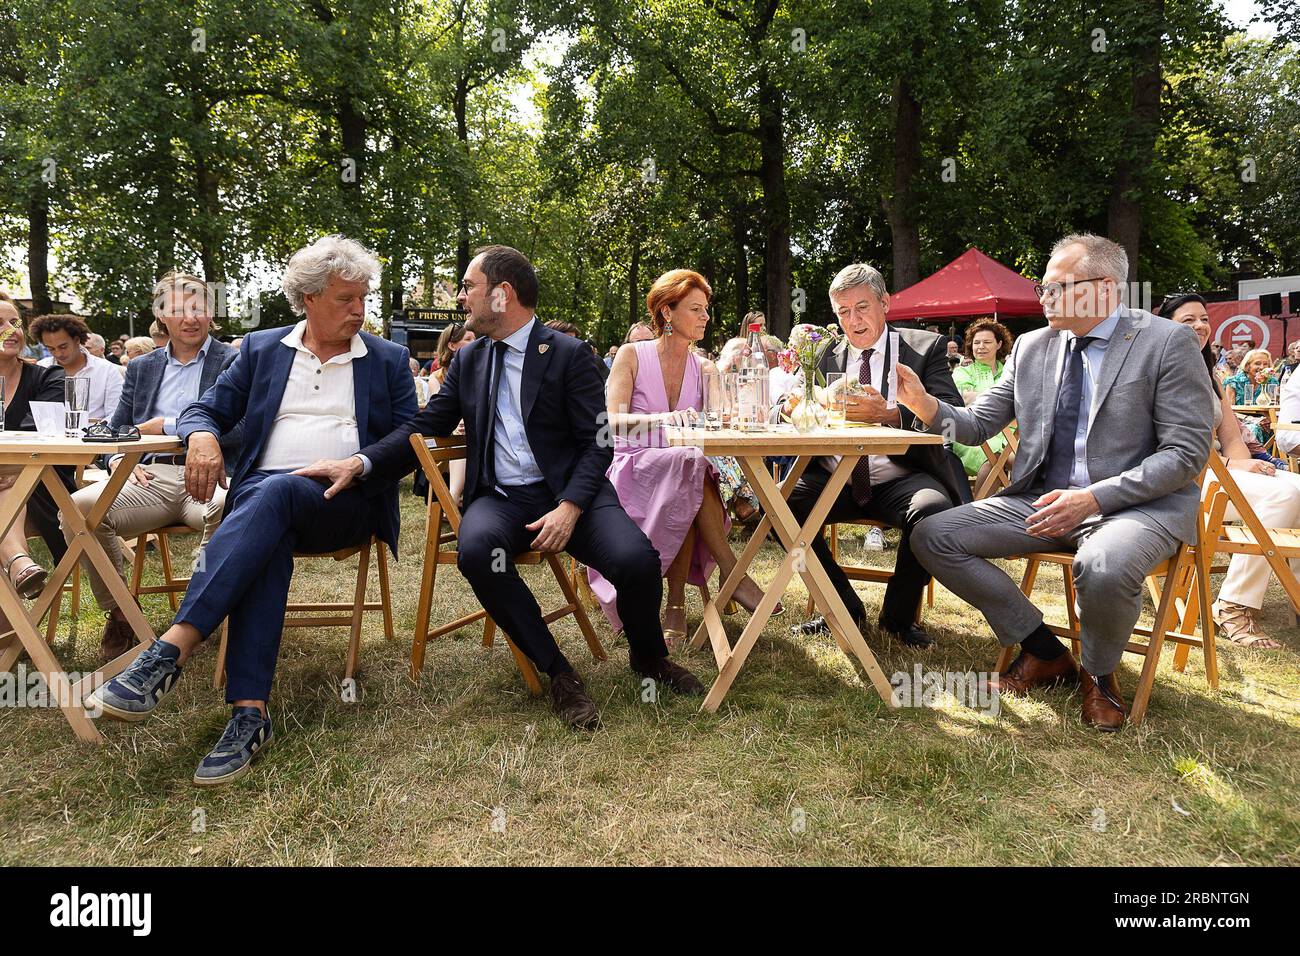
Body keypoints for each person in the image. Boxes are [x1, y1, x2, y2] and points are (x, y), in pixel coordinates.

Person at [295, 245, 706, 731]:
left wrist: (571, 507)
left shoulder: (569, 355)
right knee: (476, 551)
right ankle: (559, 673)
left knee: (636, 560)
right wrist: (361, 463)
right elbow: (424, 425)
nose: (462, 298)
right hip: (504, 499)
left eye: (469, 287)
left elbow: (597, 444)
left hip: (574, 495)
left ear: (501, 295)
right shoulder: (471, 361)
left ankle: (649, 658)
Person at [88, 235, 418, 786]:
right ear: (308, 299)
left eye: (363, 299)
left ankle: (171, 650)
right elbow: (204, 408)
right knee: (267, 525)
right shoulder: (264, 348)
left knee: (273, 495)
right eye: (345, 299)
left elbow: (413, 431)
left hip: (345, 500)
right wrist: (201, 439)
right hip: (267, 503)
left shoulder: (385, 358)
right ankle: (249, 715)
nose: (359, 311)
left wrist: (359, 463)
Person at [905, 233, 1215, 731]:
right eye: (1042, 287)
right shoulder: (1032, 346)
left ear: (1107, 289)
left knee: (1104, 564)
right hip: (1042, 500)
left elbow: (1184, 454)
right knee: (933, 534)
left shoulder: (1166, 342)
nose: (1043, 299)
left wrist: (1094, 497)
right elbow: (977, 424)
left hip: (1135, 506)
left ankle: (1098, 673)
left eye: (1058, 288)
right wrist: (925, 405)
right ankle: (1044, 651)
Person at [785, 263, 967, 649]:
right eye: (843, 312)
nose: (854, 320)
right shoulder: (822, 354)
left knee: (931, 511)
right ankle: (843, 608)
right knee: (781, 508)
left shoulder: (924, 347)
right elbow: (792, 403)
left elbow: (950, 413)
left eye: (862, 307)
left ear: (885, 303)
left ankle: (898, 618)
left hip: (901, 475)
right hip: (835, 475)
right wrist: (795, 406)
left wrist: (891, 414)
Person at [64, 273, 242, 662]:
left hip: (215, 475)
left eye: (198, 308)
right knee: (79, 510)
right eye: (178, 310)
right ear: (162, 316)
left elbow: (248, 426)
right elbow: (114, 431)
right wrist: (116, 461)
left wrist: (171, 426)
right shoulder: (143, 367)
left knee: (227, 510)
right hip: (152, 476)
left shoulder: (235, 360)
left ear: (212, 313)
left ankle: (198, 618)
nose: (190, 318)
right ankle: (122, 612)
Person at [597, 269, 776, 646]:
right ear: (666, 312)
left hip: (683, 472)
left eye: (706, 309)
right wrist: (662, 421)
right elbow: (610, 423)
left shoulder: (705, 367)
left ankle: (676, 604)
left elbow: (717, 425)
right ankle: (730, 571)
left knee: (690, 467)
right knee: (690, 466)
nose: (706, 317)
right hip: (634, 470)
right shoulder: (631, 355)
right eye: (695, 309)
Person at [1161, 293, 1284, 649]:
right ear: (1165, 327)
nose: (1200, 326)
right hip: (1185, 479)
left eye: (1203, 319)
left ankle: (1246, 600)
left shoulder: (1211, 375)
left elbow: (1230, 437)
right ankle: (1232, 607)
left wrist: (1241, 462)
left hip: (1223, 471)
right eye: (1188, 320)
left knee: (1293, 488)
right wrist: (1232, 465)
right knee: (1283, 495)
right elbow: (1167, 446)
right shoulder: (1158, 372)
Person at [0, 292, 75, 600]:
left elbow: (44, 437)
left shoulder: (49, 377)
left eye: (15, 322)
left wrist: (15, 473)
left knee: (5, 487)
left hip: (43, 483)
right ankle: (18, 563)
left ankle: (8, 633)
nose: (11, 330)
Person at [950, 318, 1015, 484]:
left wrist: (979, 395)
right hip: (975, 435)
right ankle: (978, 509)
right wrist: (1006, 400)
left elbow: (1024, 400)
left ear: (999, 344)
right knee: (994, 460)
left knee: (1038, 459)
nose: (980, 347)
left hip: (1014, 435)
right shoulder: (962, 372)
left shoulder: (1010, 373)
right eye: (976, 342)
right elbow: (966, 400)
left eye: (987, 342)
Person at [31, 313, 123, 421]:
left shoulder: (107, 370)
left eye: (63, 347)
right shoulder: (41, 368)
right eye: (51, 349)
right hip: (48, 435)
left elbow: (116, 413)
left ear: (77, 340)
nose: (58, 353)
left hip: (95, 435)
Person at [424, 321, 475, 506]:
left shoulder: (476, 371)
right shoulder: (436, 377)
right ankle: (453, 497)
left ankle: (456, 499)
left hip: (469, 432)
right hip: (443, 435)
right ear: (452, 345)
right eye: (468, 339)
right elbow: (441, 415)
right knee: (461, 434)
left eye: (474, 338)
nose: (474, 342)